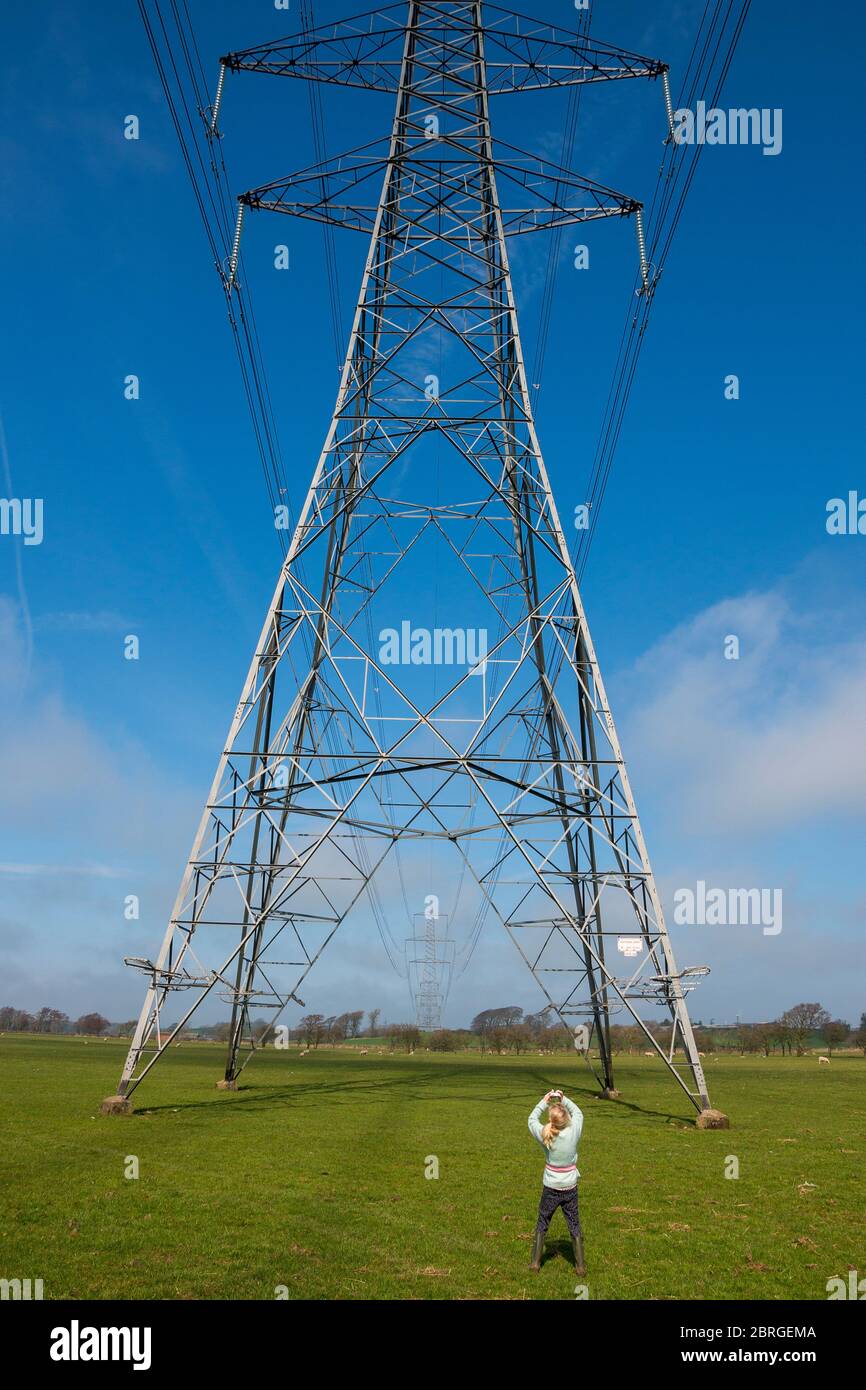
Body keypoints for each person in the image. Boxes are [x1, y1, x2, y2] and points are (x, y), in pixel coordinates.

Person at [527, 1088, 585, 1275]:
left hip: (551, 1187)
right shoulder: (574, 1130)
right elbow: (579, 1113)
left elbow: (531, 1120)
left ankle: (535, 1263)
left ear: (551, 1119)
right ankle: (580, 1266)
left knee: (543, 1221)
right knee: (574, 1223)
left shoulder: (545, 1133)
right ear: (566, 1118)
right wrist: (563, 1099)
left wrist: (544, 1101)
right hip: (570, 1187)